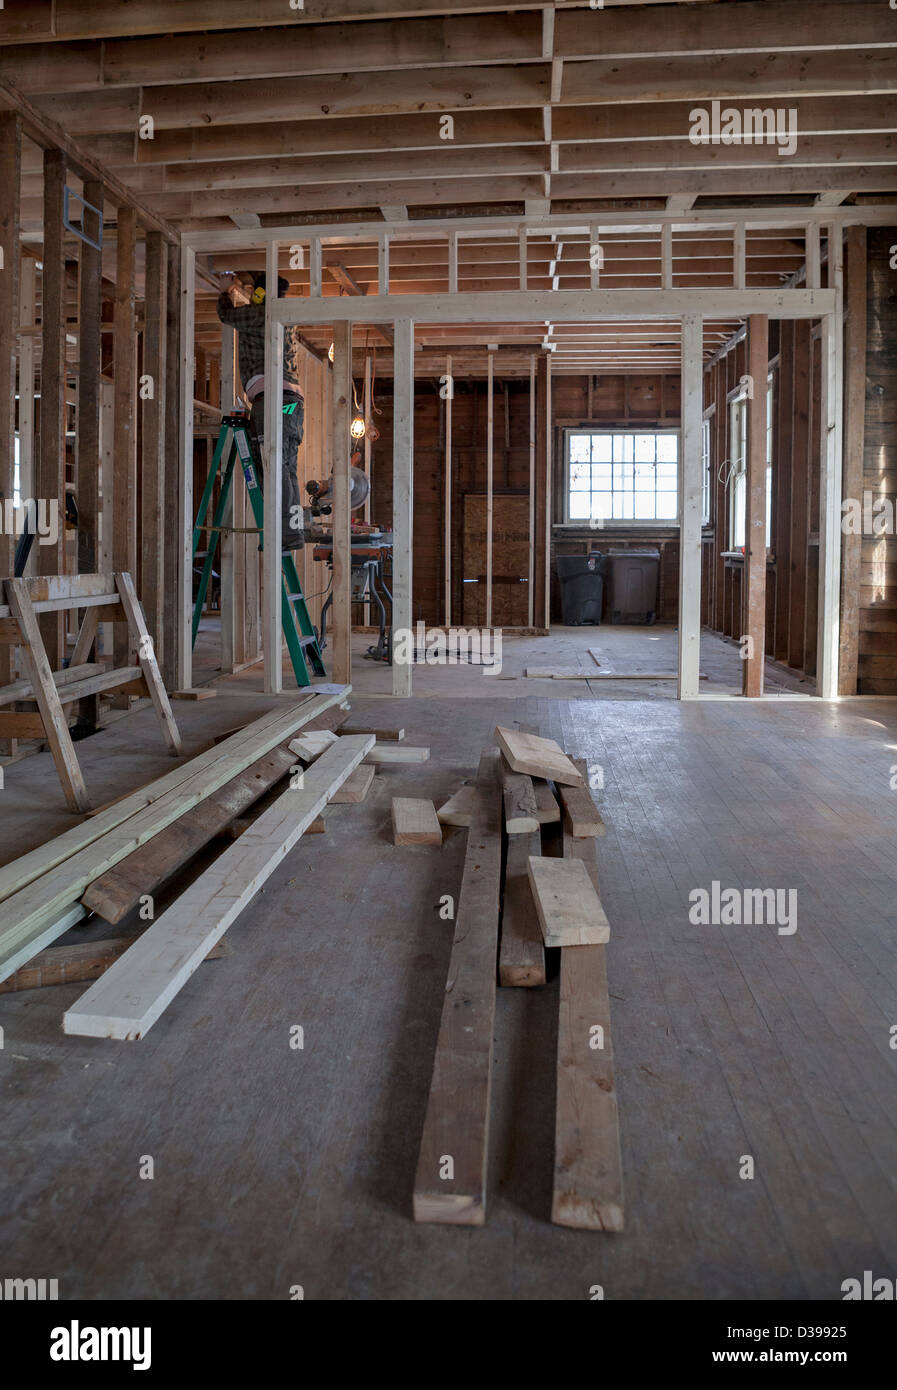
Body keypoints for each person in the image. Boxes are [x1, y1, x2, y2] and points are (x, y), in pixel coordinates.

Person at [216, 270, 305, 550]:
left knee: (272, 464)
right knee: (285, 464)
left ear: (262, 294)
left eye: (257, 291)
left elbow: (226, 314)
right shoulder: (286, 318)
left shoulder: (261, 314)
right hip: (289, 402)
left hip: (272, 400)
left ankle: (283, 535)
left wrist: (225, 289)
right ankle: (290, 533)